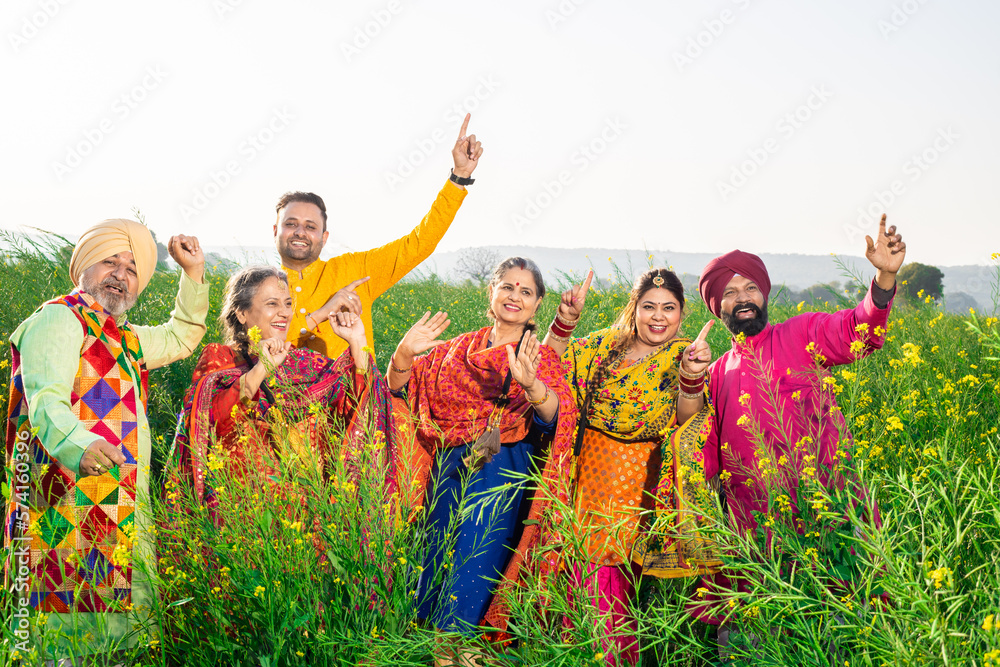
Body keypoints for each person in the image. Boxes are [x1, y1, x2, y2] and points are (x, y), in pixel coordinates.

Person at [4, 219, 208, 658]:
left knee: (125, 629)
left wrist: (192, 276)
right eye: (110, 261)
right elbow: (45, 400)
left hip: (122, 498)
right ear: (82, 268)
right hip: (63, 499)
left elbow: (179, 337)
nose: (120, 274)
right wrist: (79, 445)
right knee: (67, 626)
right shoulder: (59, 318)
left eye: (132, 268)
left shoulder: (126, 337)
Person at [695, 215, 905, 627]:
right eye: (731, 291)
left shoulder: (801, 333)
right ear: (716, 306)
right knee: (758, 642)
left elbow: (858, 329)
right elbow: (704, 462)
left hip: (827, 516)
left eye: (751, 287)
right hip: (756, 537)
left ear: (764, 294)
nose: (743, 297)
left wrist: (882, 279)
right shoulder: (716, 373)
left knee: (842, 633)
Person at [387, 257, 577, 666]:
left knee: (474, 568)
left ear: (537, 303)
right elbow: (399, 391)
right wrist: (403, 353)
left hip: (502, 474)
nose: (515, 296)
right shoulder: (456, 349)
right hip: (450, 473)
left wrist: (531, 384)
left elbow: (555, 420)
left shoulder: (539, 355)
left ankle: (456, 654)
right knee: (435, 563)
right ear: (490, 292)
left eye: (526, 291)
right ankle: (433, 652)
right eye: (507, 286)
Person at [543, 268, 719, 666]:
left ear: (682, 313)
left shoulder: (684, 353)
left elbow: (685, 418)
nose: (659, 317)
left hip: (639, 482)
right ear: (634, 309)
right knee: (574, 576)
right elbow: (547, 367)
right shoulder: (605, 345)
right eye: (649, 307)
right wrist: (564, 321)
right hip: (585, 476)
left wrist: (692, 378)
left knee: (610, 584)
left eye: (669, 308)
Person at [168, 265, 397, 515]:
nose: (284, 313)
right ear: (242, 313)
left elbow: (360, 408)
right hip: (241, 516)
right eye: (272, 304)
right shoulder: (221, 359)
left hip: (306, 516)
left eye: (287, 304)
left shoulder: (307, 362)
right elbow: (208, 424)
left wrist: (357, 342)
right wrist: (261, 369)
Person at [276, 114, 484, 359]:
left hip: (356, 397)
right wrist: (321, 313)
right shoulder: (260, 288)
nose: (301, 232)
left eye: (311, 227)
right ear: (275, 231)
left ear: (324, 236)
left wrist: (458, 178)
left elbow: (419, 243)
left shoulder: (355, 270)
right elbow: (257, 346)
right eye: (291, 224)